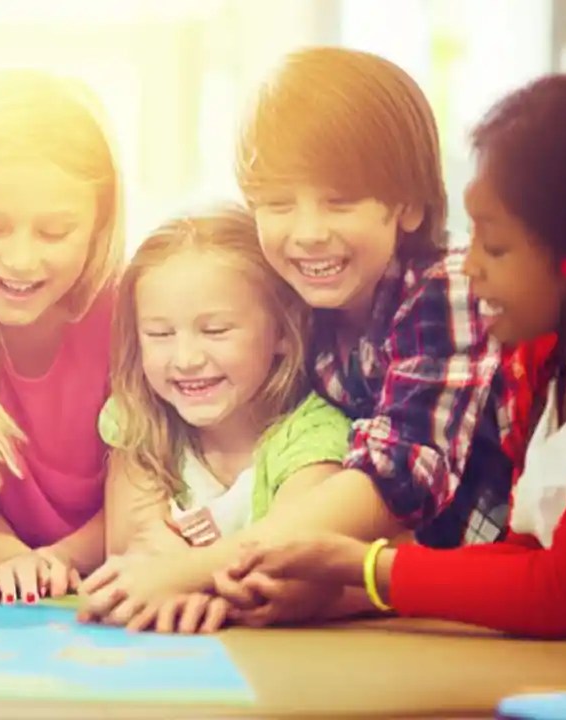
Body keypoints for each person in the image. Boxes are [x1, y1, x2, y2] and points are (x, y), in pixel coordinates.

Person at [214, 65, 566, 671]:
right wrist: (350, 589)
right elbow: (522, 557)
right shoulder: (544, 368)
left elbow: (565, 594)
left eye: (494, 247)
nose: (469, 269)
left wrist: (363, 569)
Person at [80, 47, 510, 628]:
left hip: (501, 578)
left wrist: (199, 569)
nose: (308, 233)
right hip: (395, 587)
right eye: (279, 203)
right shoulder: (308, 308)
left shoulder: (446, 287)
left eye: (340, 201)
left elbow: (396, 482)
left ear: (405, 205)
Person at [96, 207, 350, 630]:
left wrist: (186, 579)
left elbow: (290, 563)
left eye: (215, 330)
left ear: (284, 332)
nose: (186, 359)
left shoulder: (315, 436)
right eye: (159, 334)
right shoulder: (138, 417)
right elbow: (128, 547)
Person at [0, 69, 125, 603]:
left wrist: (58, 560)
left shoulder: (134, 315)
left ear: (99, 223)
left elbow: (149, 489)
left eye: (55, 232)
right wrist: (7, 557)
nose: (19, 259)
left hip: (112, 573)